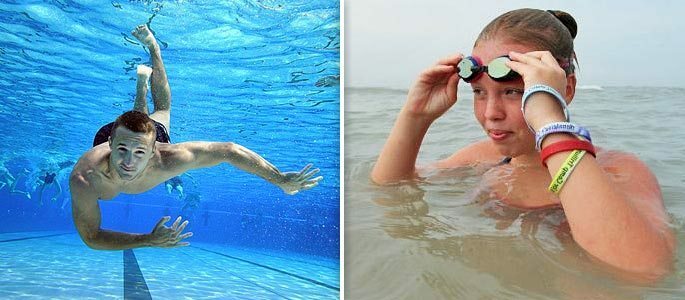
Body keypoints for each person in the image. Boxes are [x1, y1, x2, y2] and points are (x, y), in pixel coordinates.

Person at [371, 9, 674, 281]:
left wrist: (547, 117)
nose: (491, 113)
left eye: (514, 92)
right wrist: (415, 117)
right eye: (478, 92)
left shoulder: (618, 170)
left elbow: (644, 268)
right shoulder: (483, 157)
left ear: (564, 89)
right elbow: (390, 190)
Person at [71, 24, 322, 251]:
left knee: (161, 111)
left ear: (154, 149)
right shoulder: (85, 178)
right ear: (111, 144)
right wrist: (146, 239)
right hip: (116, 135)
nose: (128, 162)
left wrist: (278, 179)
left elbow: (229, 150)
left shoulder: (169, 158)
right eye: (122, 150)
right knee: (146, 118)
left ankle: (153, 49)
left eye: (139, 153)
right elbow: (91, 237)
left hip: (141, 136)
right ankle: (141, 86)